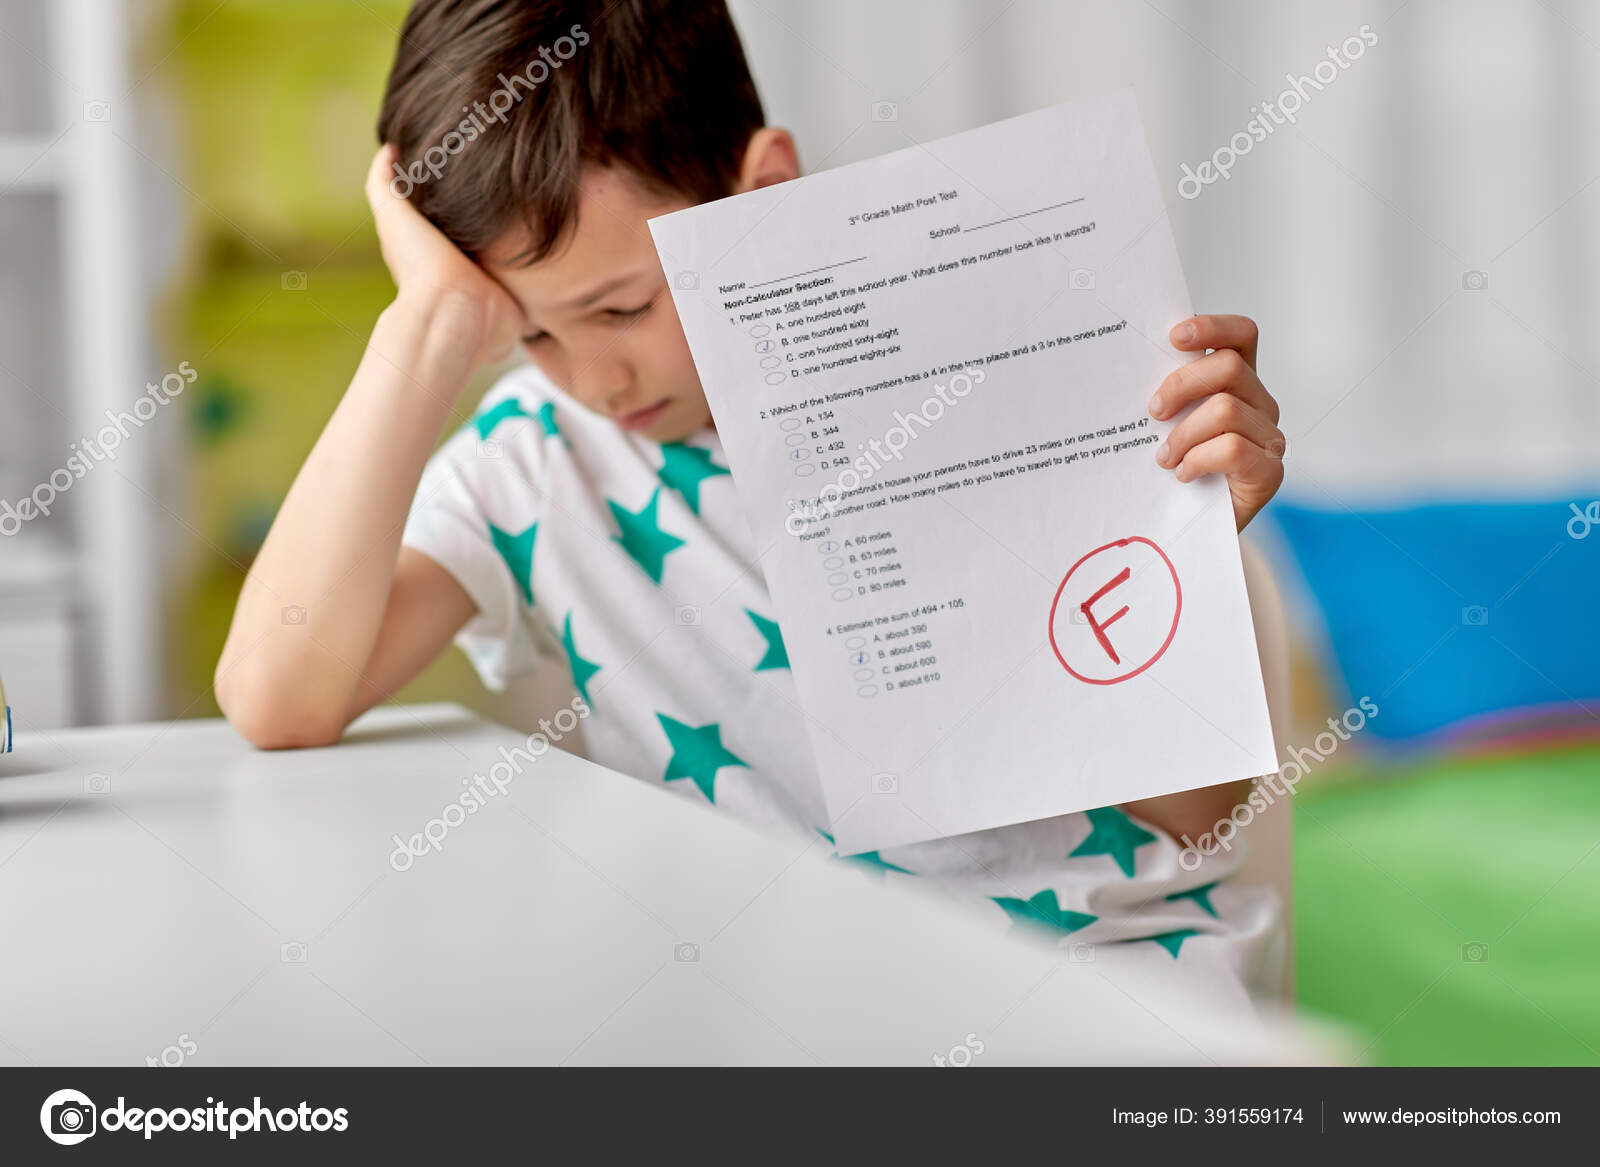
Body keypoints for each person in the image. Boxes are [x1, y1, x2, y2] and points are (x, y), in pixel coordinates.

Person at [217, 0, 1289, 996]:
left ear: (763, 188)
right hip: (772, 1012)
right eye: (528, 331)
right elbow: (277, 697)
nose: (597, 380)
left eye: (623, 308)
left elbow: (1189, 818)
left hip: (1102, 987)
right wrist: (427, 327)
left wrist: (1180, 547)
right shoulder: (533, 457)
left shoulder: (989, 379)